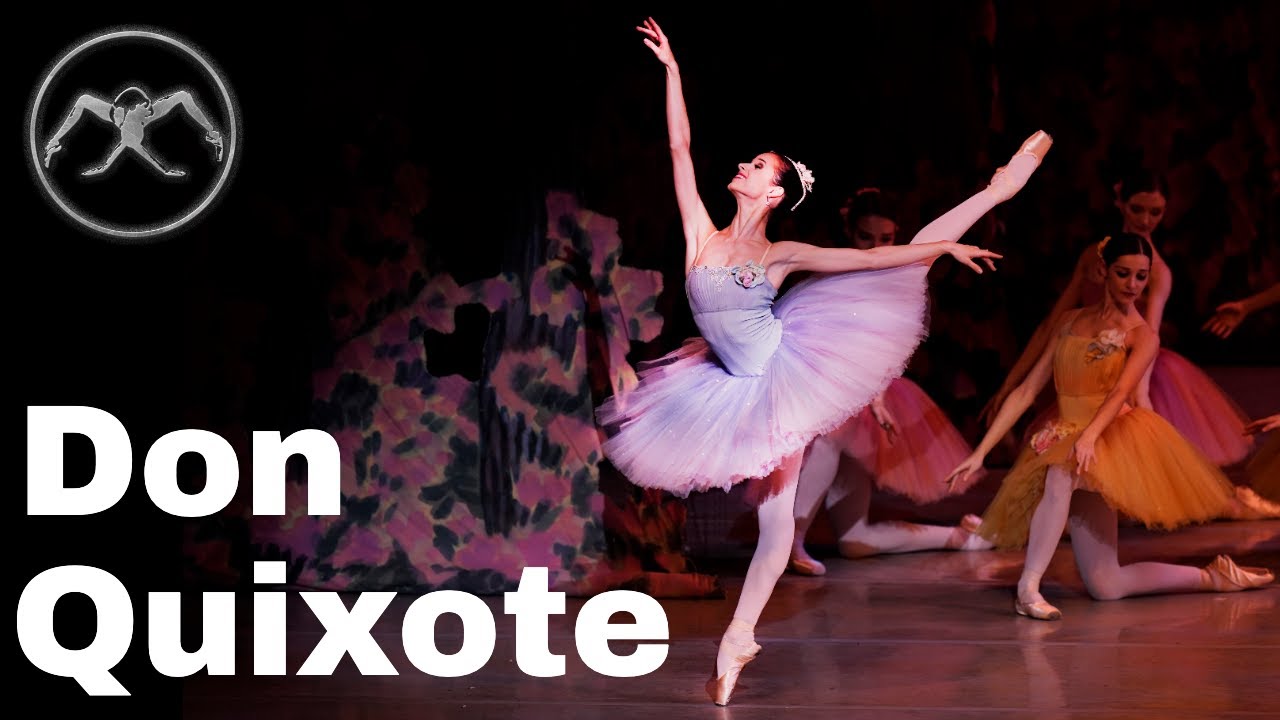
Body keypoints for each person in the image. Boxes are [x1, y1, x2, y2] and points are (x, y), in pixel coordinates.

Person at [597, 17, 1049, 705]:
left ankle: (993, 192)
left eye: (758, 166)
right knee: (776, 525)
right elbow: (679, 147)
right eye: (749, 161)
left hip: (782, 376)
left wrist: (942, 251)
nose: (744, 167)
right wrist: (673, 71)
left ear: (774, 193)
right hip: (730, 385)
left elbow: (868, 259)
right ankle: (740, 641)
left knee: (898, 273)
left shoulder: (779, 255)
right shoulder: (700, 234)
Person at [947, 233, 1274, 622]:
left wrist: (1087, 437)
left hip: (1108, 436)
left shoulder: (1143, 336)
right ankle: (1213, 577)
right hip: (1067, 429)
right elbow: (1027, 390)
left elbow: (1120, 393)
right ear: (1103, 270)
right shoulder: (1070, 321)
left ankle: (1027, 588)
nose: (1133, 285)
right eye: (1123, 274)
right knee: (1106, 584)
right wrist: (981, 451)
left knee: (1060, 474)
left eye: (1141, 277)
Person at [981, 171, 1255, 467]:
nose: (1146, 220)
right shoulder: (1093, 257)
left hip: (1131, 367)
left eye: (1156, 212)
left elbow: (1149, 334)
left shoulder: (1159, 273)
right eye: (1138, 209)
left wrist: (1140, 399)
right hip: (1083, 361)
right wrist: (1010, 383)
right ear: (1119, 202)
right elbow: (1051, 324)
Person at [788, 188, 992, 576]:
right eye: (866, 237)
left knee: (854, 540)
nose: (877, 247)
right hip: (828, 391)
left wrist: (877, 398)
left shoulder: (902, 281)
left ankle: (959, 536)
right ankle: (791, 540)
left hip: (871, 396)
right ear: (849, 233)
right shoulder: (831, 270)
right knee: (832, 435)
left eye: (886, 238)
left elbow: (894, 349)